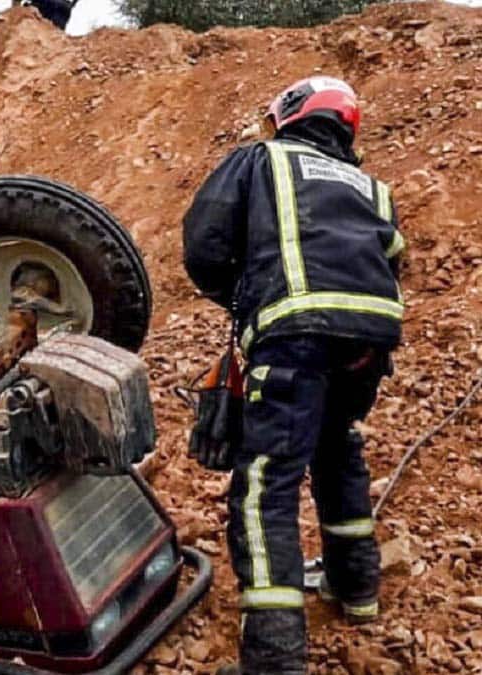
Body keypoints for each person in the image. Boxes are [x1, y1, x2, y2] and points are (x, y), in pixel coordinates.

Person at [182, 76, 404, 674]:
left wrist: (248, 301)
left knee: (267, 483)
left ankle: (274, 659)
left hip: (295, 334)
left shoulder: (262, 159)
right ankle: (357, 591)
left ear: (289, 113)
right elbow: (393, 258)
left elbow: (203, 244)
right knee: (338, 450)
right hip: (369, 340)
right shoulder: (372, 187)